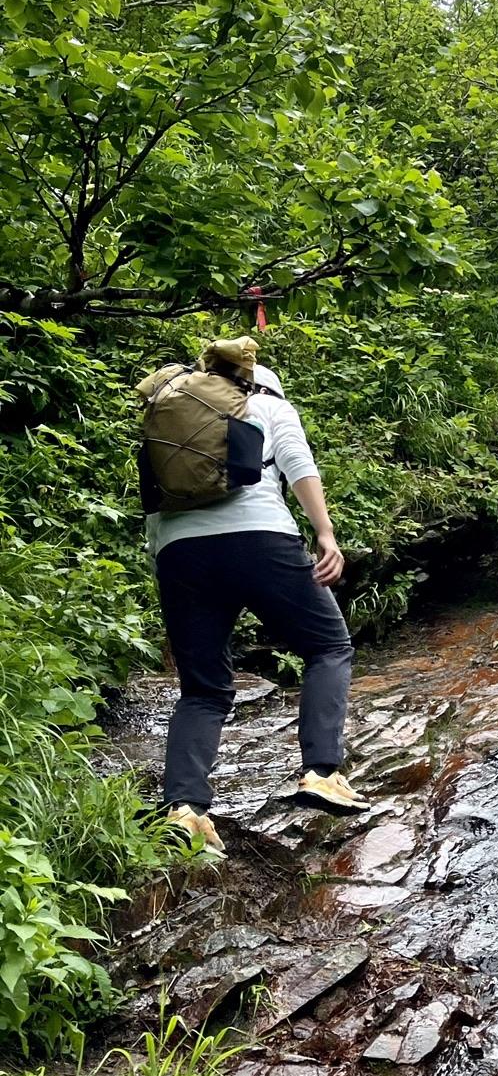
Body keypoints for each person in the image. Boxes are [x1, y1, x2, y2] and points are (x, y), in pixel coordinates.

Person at [144, 345, 363, 856]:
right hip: (261, 539)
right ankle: (321, 771)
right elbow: (299, 466)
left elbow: (155, 505)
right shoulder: (269, 406)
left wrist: (170, 573)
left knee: (202, 689)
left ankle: (185, 807)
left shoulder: (170, 422)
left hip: (180, 555)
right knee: (328, 646)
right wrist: (325, 534)